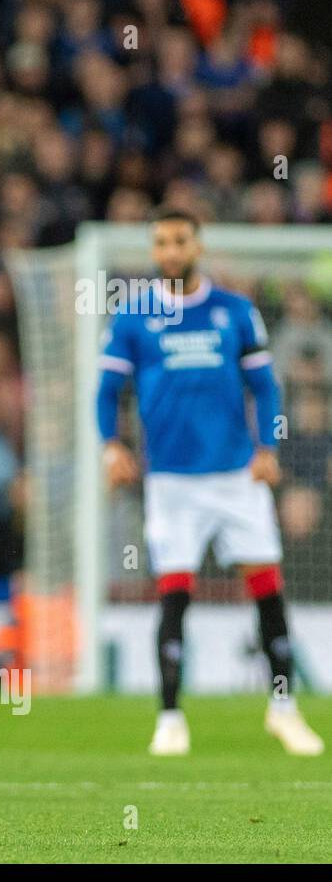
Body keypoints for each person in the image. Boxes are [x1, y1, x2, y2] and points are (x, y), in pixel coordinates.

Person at [98, 206, 323, 756]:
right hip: (172, 482)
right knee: (174, 596)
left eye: (179, 241)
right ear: (154, 252)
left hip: (235, 475)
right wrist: (110, 445)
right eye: (161, 242)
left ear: (197, 246)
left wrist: (269, 447)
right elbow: (106, 393)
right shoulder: (133, 318)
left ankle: (284, 709)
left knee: (267, 590)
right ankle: (171, 717)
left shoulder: (236, 313)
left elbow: (266, 389)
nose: (170, 251)